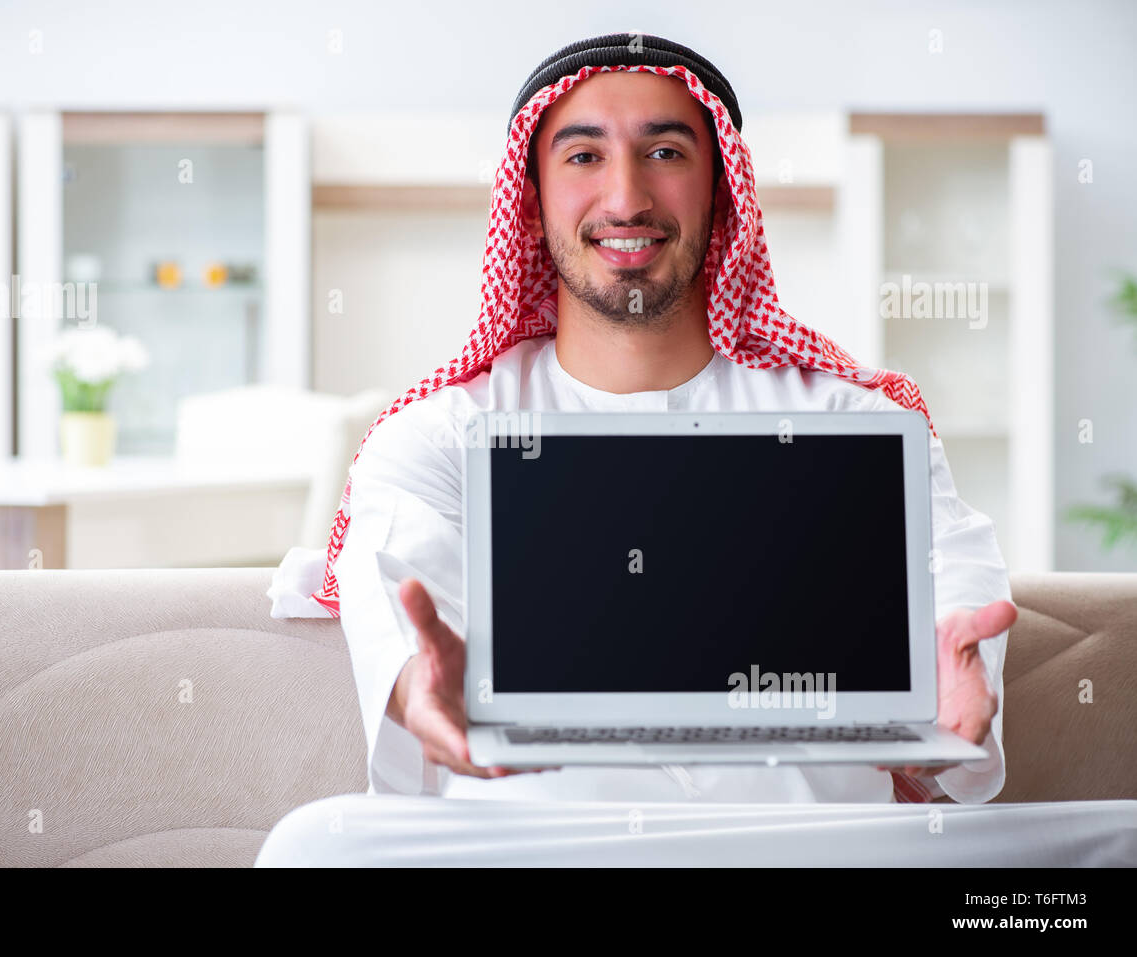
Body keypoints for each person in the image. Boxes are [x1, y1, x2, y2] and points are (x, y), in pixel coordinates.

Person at [257, 33, 1022, 863]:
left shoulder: (864, 424)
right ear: (532, 196)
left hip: (810, 850)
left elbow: (958, 598)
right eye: (583, 155)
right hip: (539, 851)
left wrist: (948, 703)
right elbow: (394, 588)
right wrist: (421, 690)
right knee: (311, 848)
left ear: (721, 188)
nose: (626, 196)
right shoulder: (438, 437)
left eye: (664, 150)